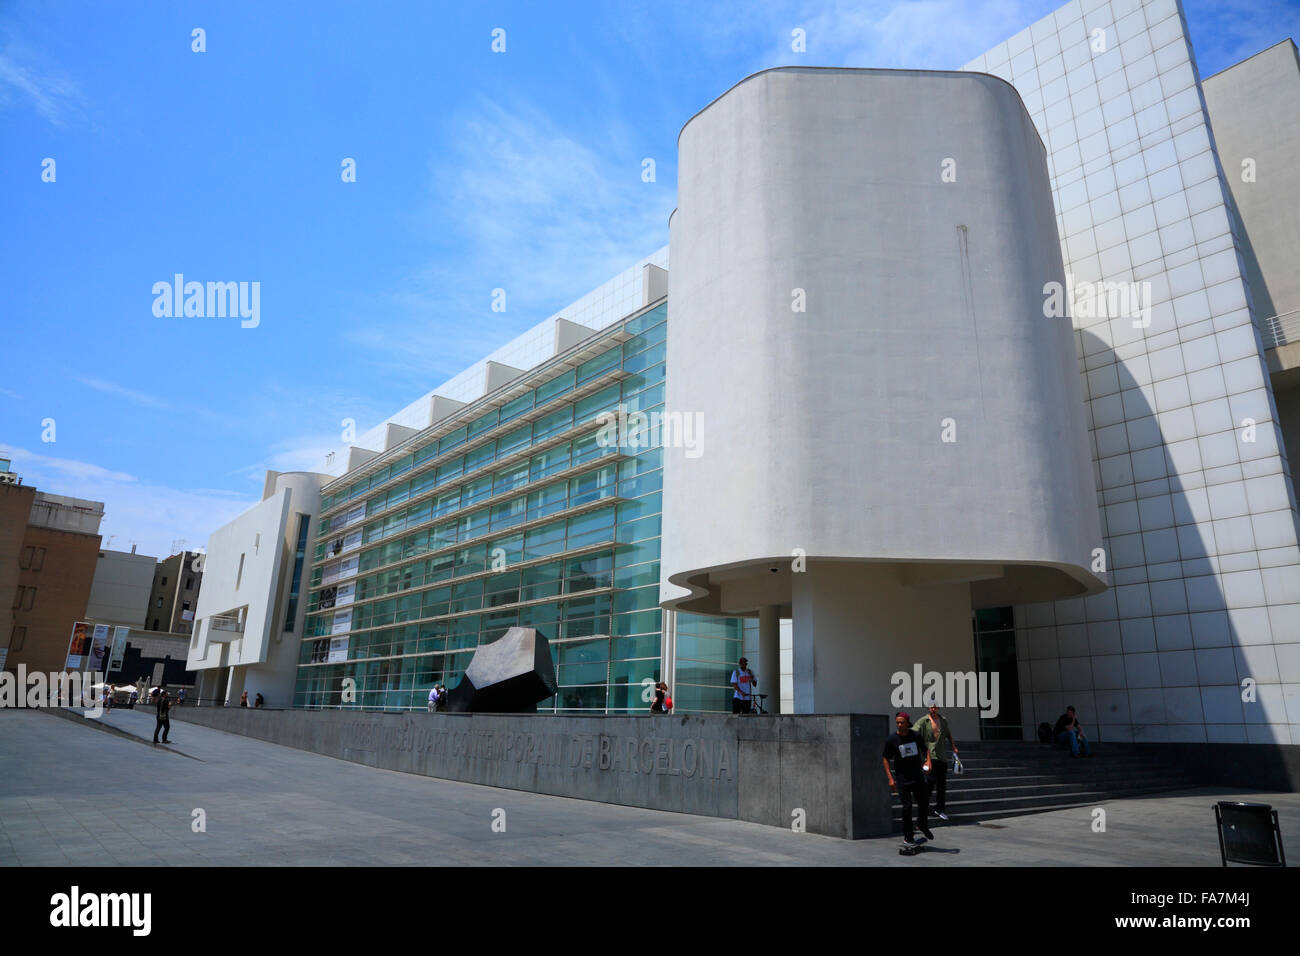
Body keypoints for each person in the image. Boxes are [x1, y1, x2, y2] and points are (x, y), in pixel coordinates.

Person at [882, 711, 934, 849]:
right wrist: (890, 778)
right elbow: (885, 758)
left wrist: (928, 762)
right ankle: (908, 836)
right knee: (907, 807)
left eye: (901, 722)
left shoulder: (915, 736)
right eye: (897, 723)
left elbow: (926, 749)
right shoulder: (892, 739)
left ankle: (922, 824)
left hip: (917, 776)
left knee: (924, 802)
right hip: (902, 778)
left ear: (907, 723)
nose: (899, 725)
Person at [913, 703, 958, 821]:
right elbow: (914, 732)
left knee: (942, 785)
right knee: (930, 782)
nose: (933, 709)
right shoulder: (923, 721)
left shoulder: (943, 720)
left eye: (935, 707)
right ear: (928, 708)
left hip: (941, 756)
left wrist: (953, 746)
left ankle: (940, 809)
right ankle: (923, 806)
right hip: (929, 756)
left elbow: (948, 734)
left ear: (938, 708)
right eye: (931, 707)